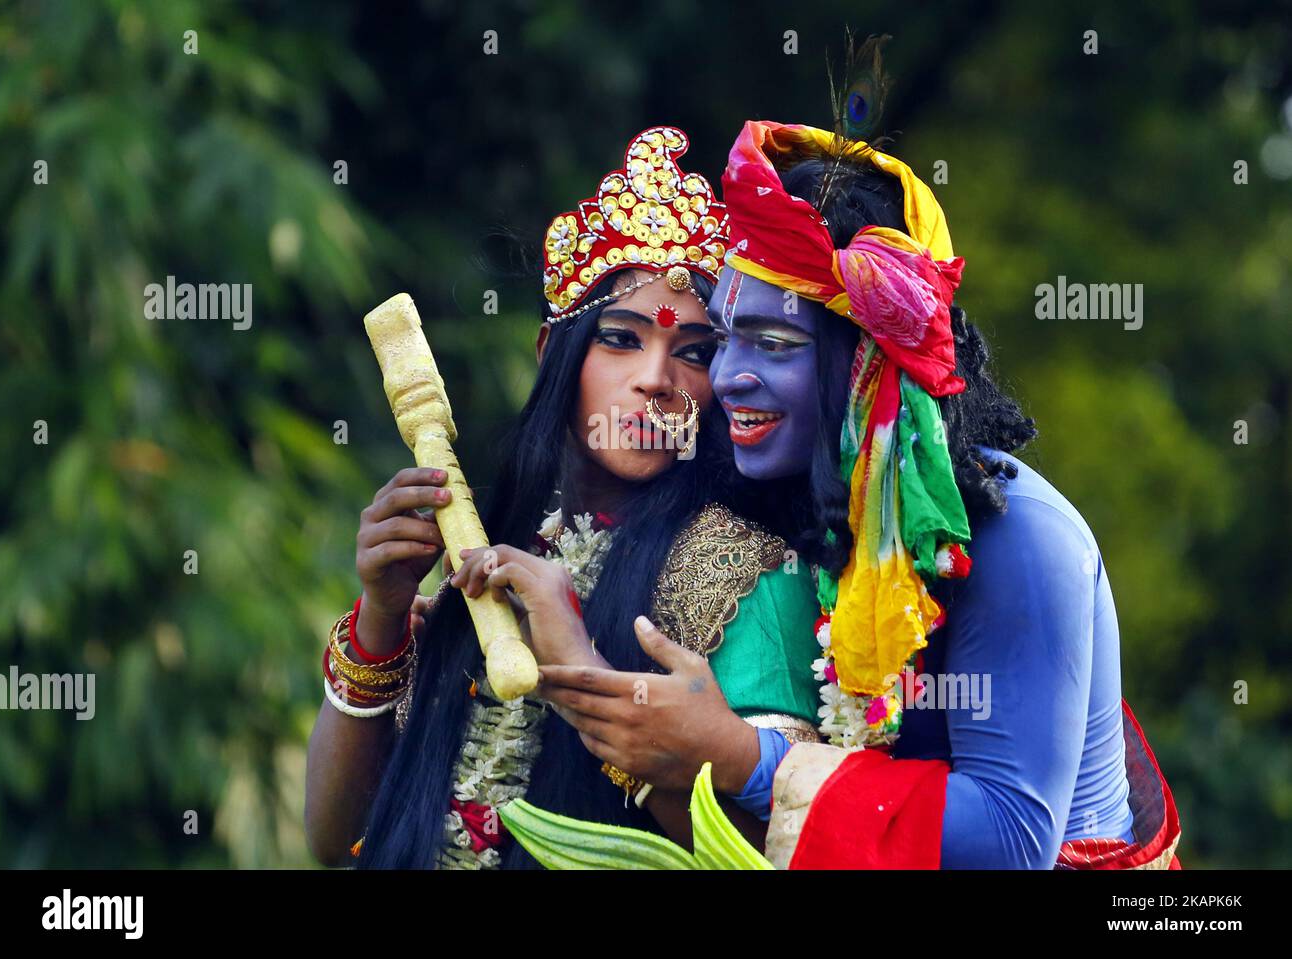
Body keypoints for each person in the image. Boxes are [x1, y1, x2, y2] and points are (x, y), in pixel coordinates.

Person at [536, 115, 1182, 870]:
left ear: (870, 359)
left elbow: (1013, 837)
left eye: (773, 345)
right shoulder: (812, 507)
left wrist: (743, 757)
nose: (728, 376)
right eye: (726, 337)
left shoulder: (1022, 535)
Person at [303, 127, 824, 870]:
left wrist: (582, 673)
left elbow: (770, 859)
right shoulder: (488, 547)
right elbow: (334, 841)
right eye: (620, 339)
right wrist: (380, 619)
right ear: (556, 355)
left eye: (696, 352)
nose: (655, 379)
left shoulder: (744, 575)